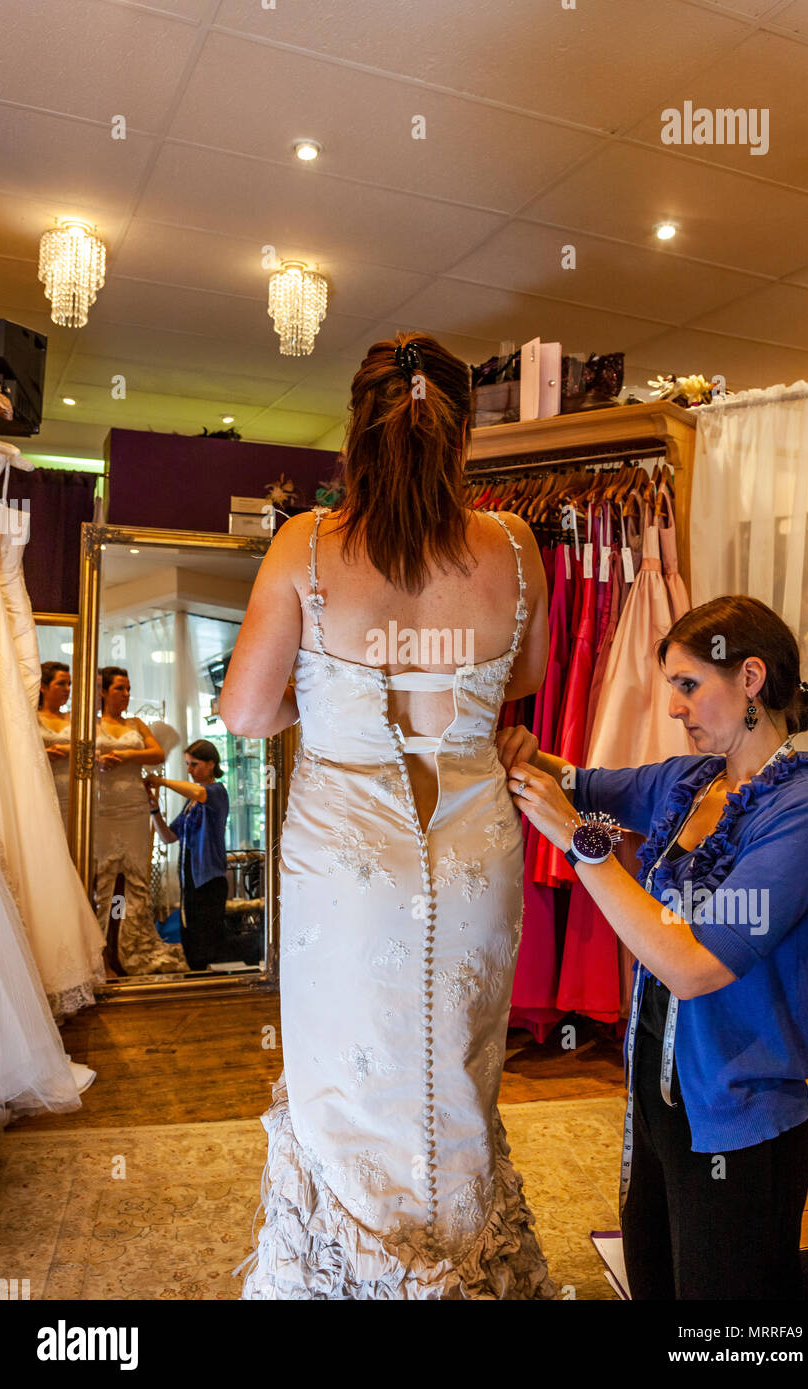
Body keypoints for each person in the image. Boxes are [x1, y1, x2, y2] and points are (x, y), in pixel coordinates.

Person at [221, 331, 555, 1300]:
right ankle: (459, 1267)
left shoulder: (309, 545)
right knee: (454, 1056)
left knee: (347, 1071)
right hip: (470, 849)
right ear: (460, 441)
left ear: (355, 434)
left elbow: (245, 712)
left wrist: (320, 705)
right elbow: (520, 685)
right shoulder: (511, 547)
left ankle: (353, 1278)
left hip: (346, 858)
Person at [497, 594, 808, 1301]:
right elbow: (577, 783)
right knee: (658, 1283)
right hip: (657, 1096)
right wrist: (519, 754)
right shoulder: (686, 784)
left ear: (750, 680)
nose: (674, 708)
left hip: (741, 1117)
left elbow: (694, 965)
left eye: (689, 686)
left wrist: (581, 843)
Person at [94, 666, 187, 975]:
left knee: (134, 873)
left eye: (129, 688)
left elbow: (158, 754)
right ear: (104, 691)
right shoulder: (91, 725)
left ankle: (131, 942)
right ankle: (103, 947)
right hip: (103, 806)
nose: (126, 694)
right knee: (104, 874)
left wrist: (126, 757)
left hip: (133, 805)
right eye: (120, 688)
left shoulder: (136, 723)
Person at [146, 740, 230, 972]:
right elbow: (169, 836)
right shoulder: (189, 802)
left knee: (207, 941)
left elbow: (199, 792)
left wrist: (162, 781)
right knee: (190, 937)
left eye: (194, 764)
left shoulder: (217, 792)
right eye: (187, 764)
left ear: (211, 764)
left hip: (210, 879)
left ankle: (210, 989)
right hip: (190, 878)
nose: (190, 770)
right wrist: (154, 811)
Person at [37, 660, 72, 830]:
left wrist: (70, 749)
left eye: (69, 684)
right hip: (42, 789)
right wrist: (42, 754)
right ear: (43, 687)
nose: (67, 689)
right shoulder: (31, 718)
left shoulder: (76, 719)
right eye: (61, 683)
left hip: (72, 792)